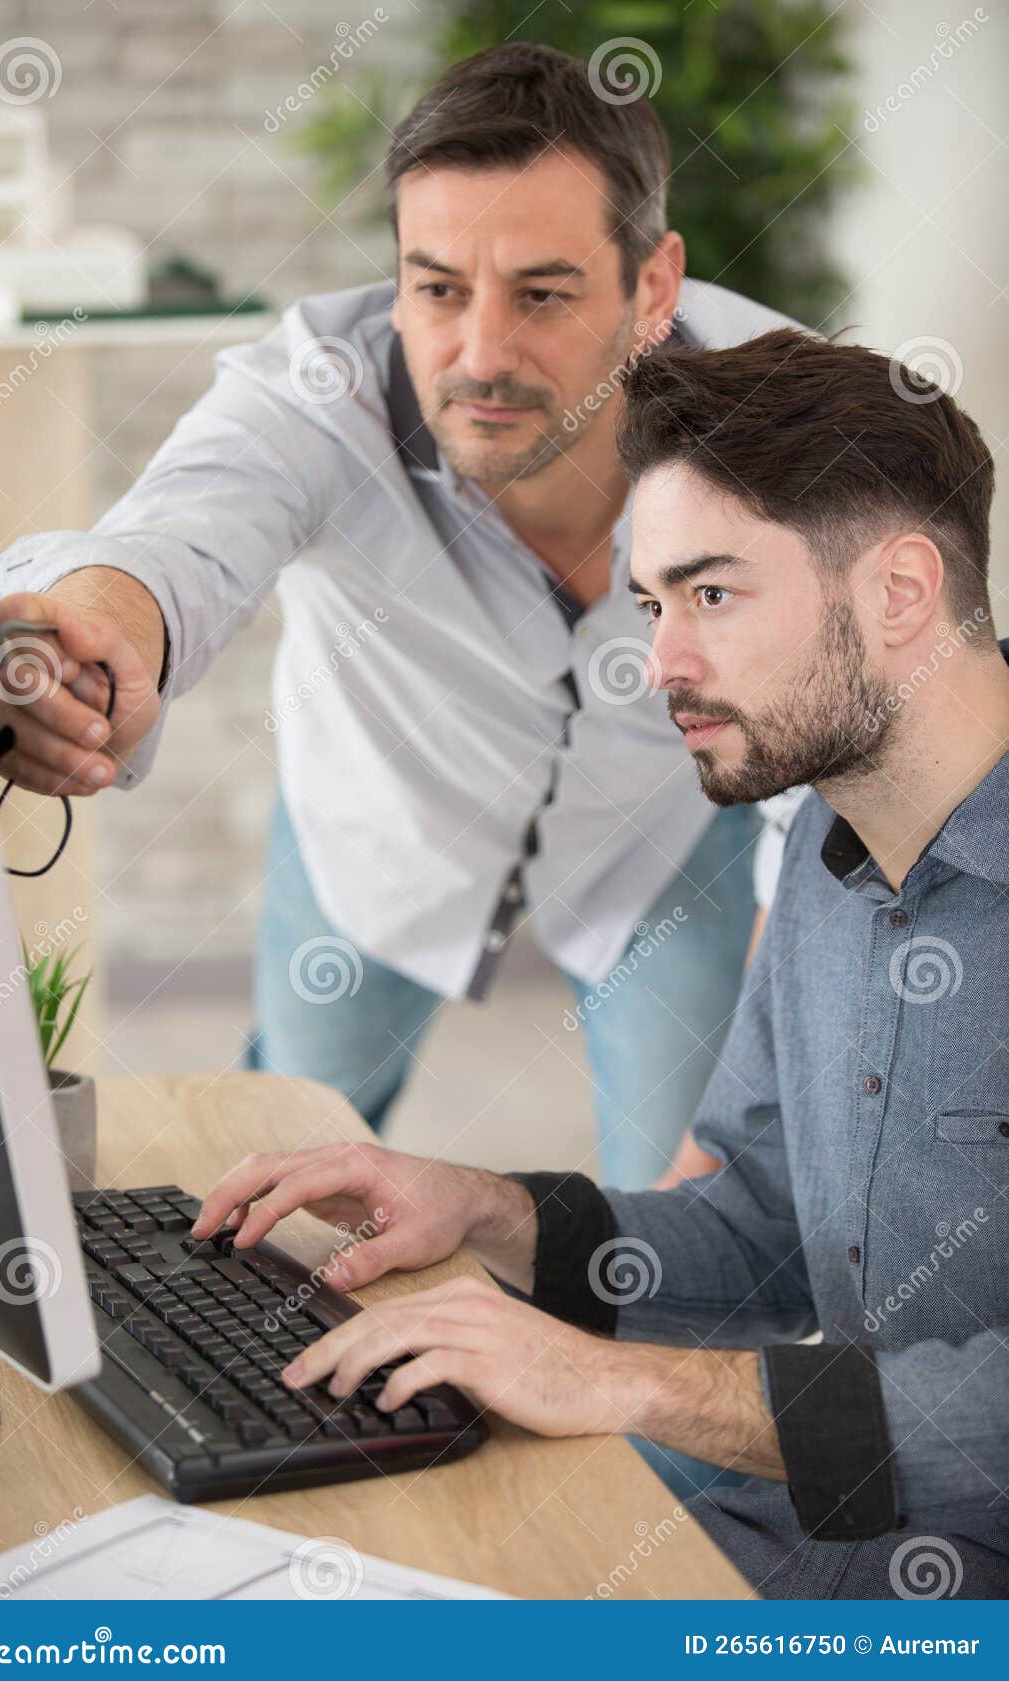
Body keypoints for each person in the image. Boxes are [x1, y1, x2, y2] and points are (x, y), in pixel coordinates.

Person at [192, 328, 1009, 1599]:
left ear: (897, 592)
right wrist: (488, 1212)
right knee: (324, 1545)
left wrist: (626, 1377)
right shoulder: (820, 847)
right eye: (650, 604)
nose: (658, 662)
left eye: (712, 594)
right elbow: (762, 1230)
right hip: (828, 1519)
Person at [0, 43, 804, 1188]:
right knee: (273, 1198)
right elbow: (171, 539)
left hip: (653, 848)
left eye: (542, 294)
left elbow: (835, 791)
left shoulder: (790, 437)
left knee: (685, 1235)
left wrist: (746, 1133)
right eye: (437, 288)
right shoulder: (319, 393)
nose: (479, 354)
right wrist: (92, 626)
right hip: (376, 830)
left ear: (652, 287)